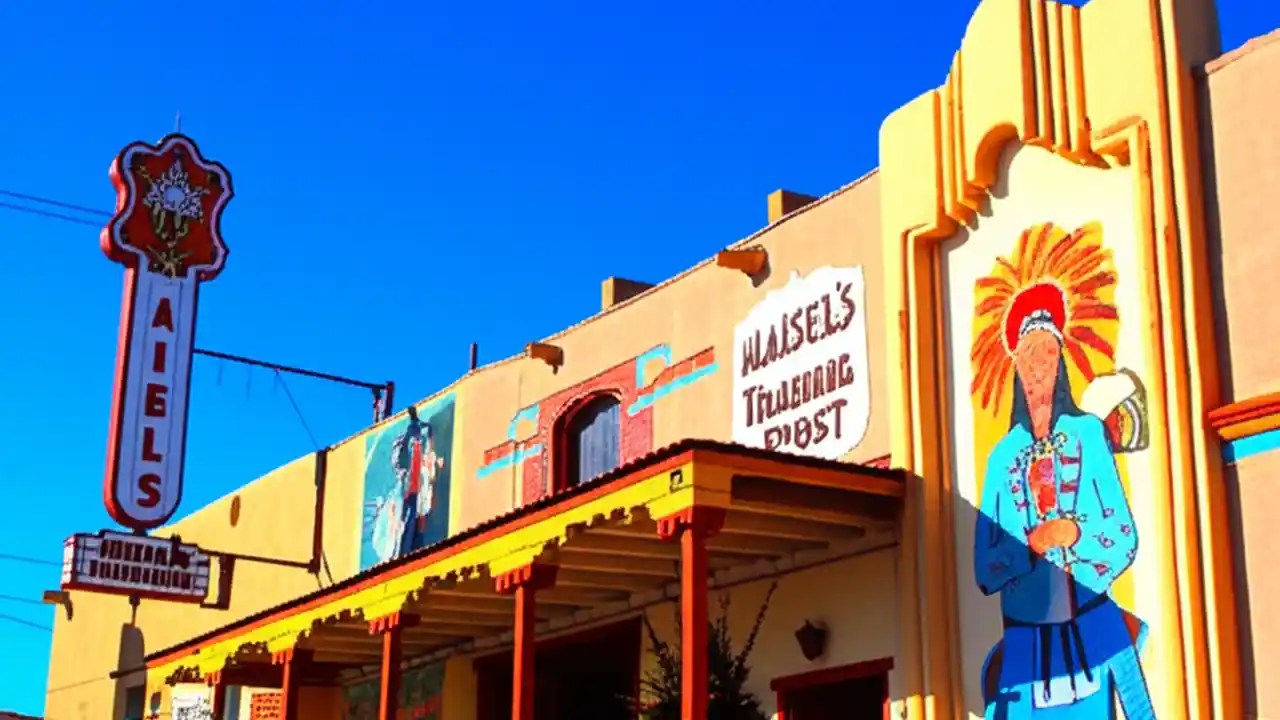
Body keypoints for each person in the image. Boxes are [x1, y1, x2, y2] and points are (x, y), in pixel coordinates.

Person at [974, 282, 1154, 719]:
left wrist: (1072, 532)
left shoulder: (1087, 435)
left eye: (1047, 354)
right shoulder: (1002, 459)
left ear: (1060, 366)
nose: (1037, 367)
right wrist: (1029, 549)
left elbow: (1123, 537)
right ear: (1015, 367)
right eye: (1028, 355)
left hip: (1091, 627)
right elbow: (984, 568)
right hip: (1026, 640)